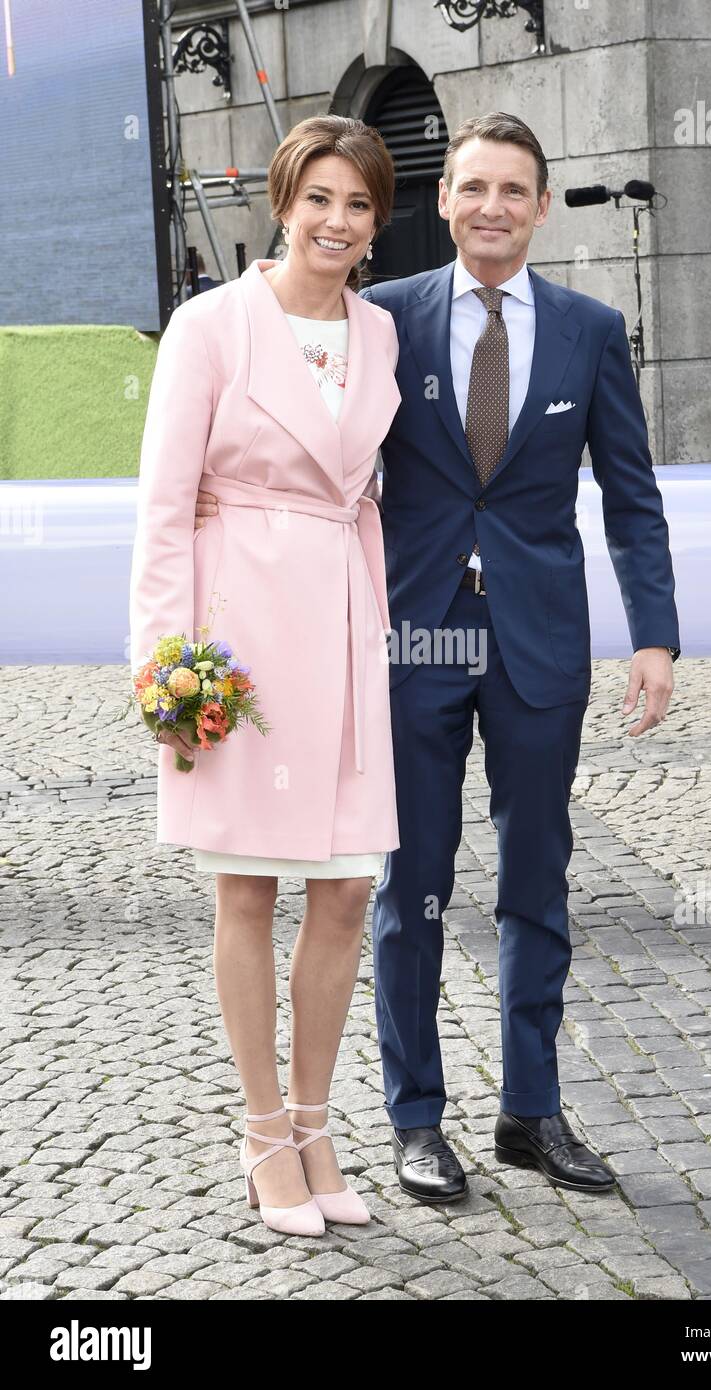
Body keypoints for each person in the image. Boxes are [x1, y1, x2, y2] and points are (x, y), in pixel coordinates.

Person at [195, 111, 681, 1206]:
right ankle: (415, 1120)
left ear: (541, 207)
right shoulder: (383, 322)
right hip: (409, 640)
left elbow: (631, 500)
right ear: (444, 200)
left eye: (514, 189)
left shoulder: (591, 331)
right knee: (407, 885)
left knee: (536, 883)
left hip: (537, 644)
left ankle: (530, 1110)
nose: (492, 207)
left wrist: (651, 632)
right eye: (472, 188)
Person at [129, 116, 401, 1236]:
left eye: (358, 205)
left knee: (344, 889)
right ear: (281, 202)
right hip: (235, 644)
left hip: (343, 624)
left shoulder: (379, 331)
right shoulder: (209, 326)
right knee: (245, 889)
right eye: (318, 199)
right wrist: (168, 674)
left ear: (379, 222)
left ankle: (317, 1120)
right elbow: (159, 511)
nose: (336, 222)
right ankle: (260, 1133)